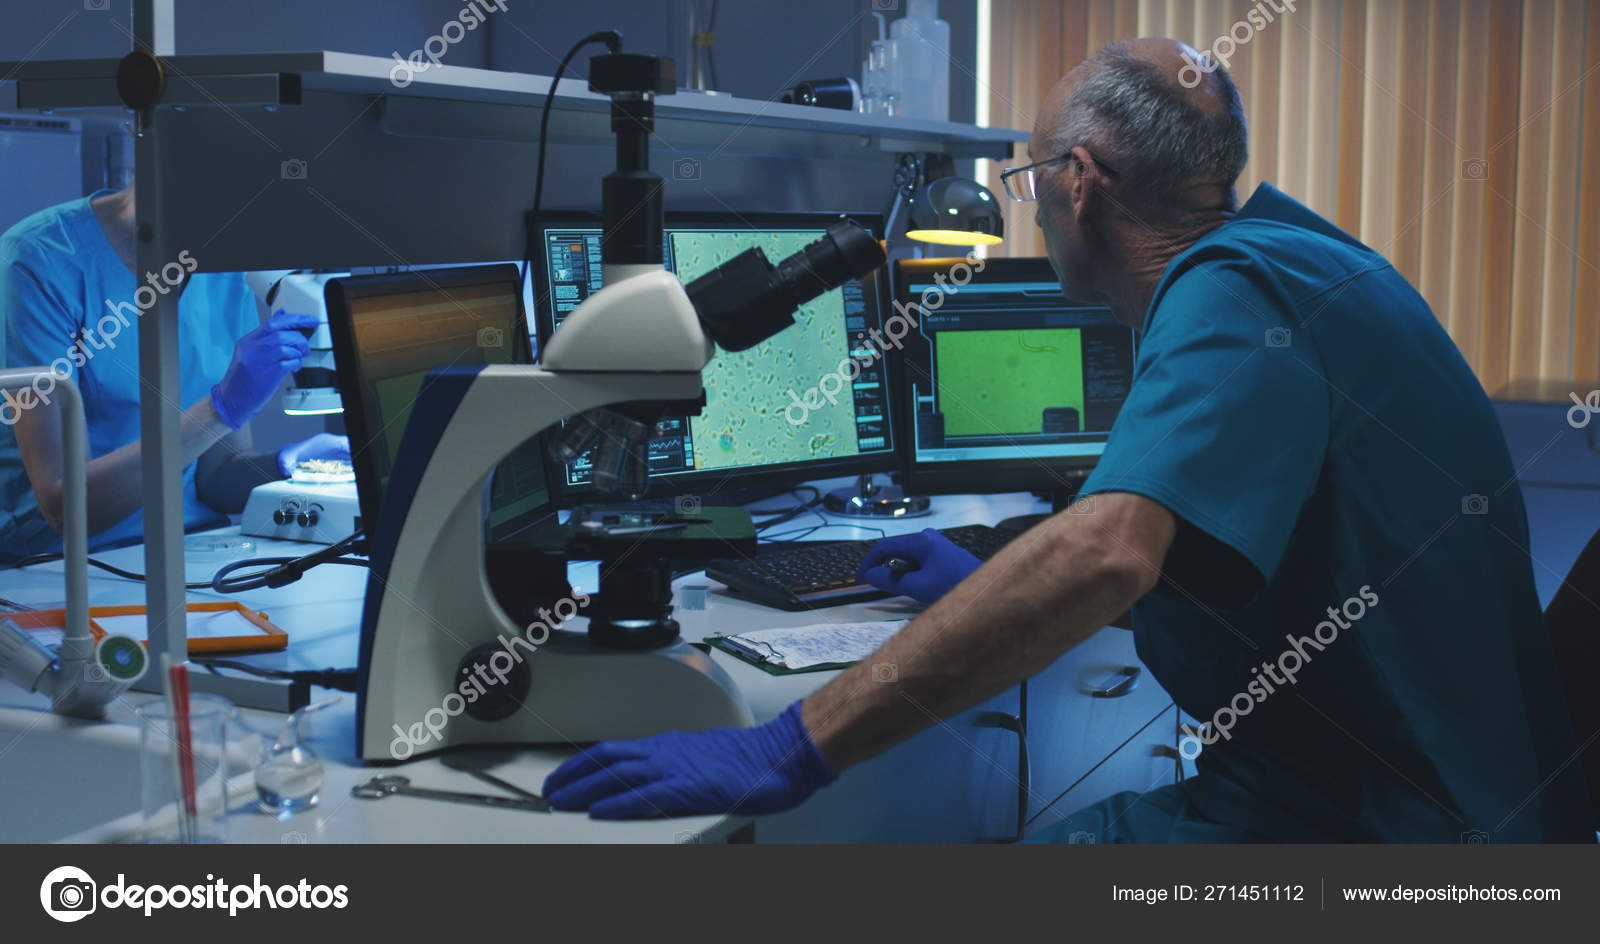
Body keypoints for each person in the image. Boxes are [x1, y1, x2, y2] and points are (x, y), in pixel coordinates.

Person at [540, 38, 1593, 842]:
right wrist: (979, 582)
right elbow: (1227, 568)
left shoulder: (1234, 291)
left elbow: (1108, 550)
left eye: (1031, 176)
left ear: (1079, 180)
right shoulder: (1304, 261)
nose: (1032, 202)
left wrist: (787, 743)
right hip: (1438, 800)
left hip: (1384, 832)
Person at [0, 187, 347, 560]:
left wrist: (290, 465)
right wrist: (221, 410)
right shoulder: (41, 260)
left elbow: (214, 478)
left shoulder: (224, 270)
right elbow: (66, 508)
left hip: (190, 549)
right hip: (60, 569)